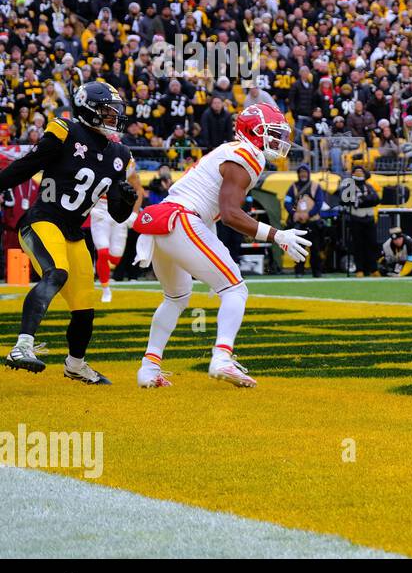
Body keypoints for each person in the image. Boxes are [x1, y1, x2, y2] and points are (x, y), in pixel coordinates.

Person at [132, 103, 310, 388]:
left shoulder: (229, 151)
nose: (279, 141)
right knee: (235, 288)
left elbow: (213, 212)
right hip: (181, 219)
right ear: (253, 132)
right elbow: (230, 214)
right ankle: (222, 358)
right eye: (272, 133)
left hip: (165, 221)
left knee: (176, 298)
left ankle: (149, 368)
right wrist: (278, 235)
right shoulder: (248, 155)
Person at [0, 81, 136, 383]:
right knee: (56, 272)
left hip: (73, 232)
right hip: (42, 220)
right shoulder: (65, 130)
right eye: (107, 112)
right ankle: (22, 346)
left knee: (85, 309)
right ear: (88, 109)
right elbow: (26, 165)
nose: (114, 117)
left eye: (115, 112)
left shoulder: (121, 155)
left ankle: (75, 365)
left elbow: (117, 214)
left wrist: (126, 200)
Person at [89, 151, 142, 302]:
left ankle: (107, 268)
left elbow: (138, 190)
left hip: (120, 213)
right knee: (103, 252)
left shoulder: (126, 167)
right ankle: (106, 289)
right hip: (100, 212)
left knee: (115, 258)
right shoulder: (93, 162)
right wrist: (89, 208)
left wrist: (134, 213)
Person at [283, 164, 327, 277]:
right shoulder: (293, 187)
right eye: (301, 172)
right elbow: (287, 202)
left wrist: (308, 214)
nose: (303, 174)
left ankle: (317, 272)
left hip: (313, 222)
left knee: (315, 248)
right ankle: (299, 272)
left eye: (305, 172)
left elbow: (319, 203)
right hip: (299, 222)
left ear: (308, 173)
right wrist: (294, 214)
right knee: (299, 248)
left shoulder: (315, 186)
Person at [339, 165, 380, 277]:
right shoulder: (349, 186)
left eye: (360, 171)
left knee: (372, 244)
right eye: (356, 171)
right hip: (356, 219)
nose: (359, 173)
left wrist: (361, 200)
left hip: (369, 218)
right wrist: (364, 200)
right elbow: (344, 200)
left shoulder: (368, 186)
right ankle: (359, 269)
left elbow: (376, 199)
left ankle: (373, 269)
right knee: (358, 245)